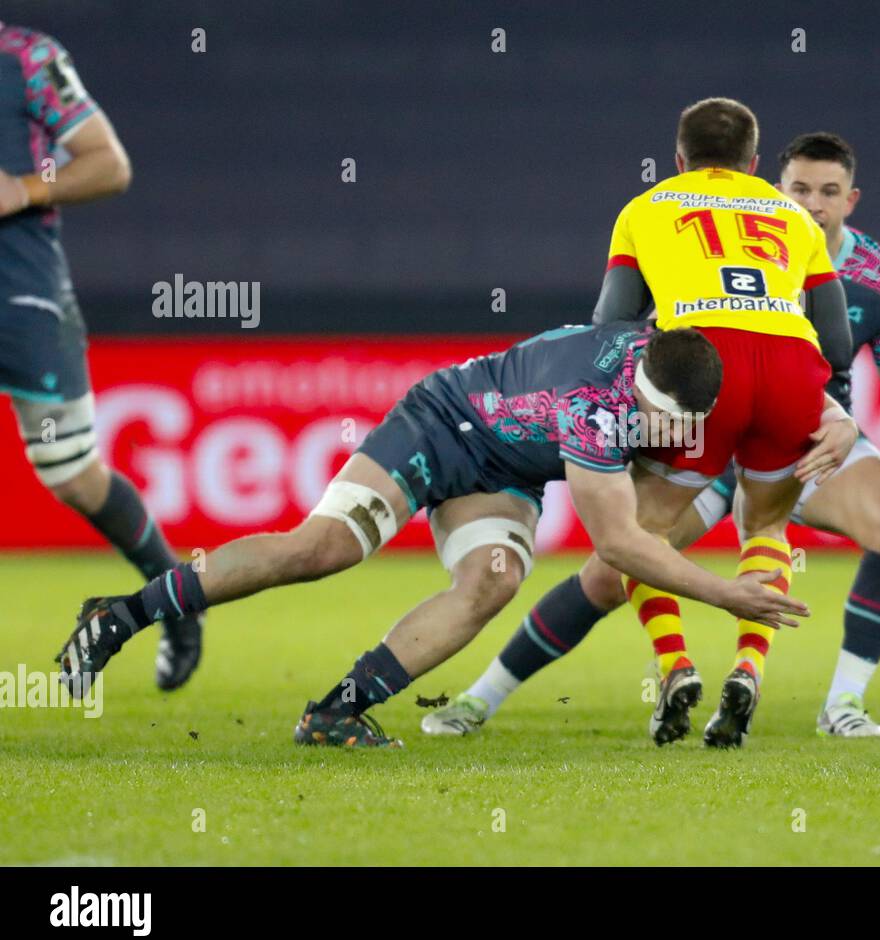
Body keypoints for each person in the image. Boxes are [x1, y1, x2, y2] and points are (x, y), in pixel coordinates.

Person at [56, 324, 820, 747]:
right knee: (323, 549)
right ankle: (122, 615)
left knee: (490, 580)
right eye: (663, 421)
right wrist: (727, 594)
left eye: (686, 423)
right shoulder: (596, 407)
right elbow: (618, 546)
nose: (673, 436)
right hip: (442, 422)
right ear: (640, 390)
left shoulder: (670, 370)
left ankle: (335, 713)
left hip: (507, 468)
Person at [424, 132, 880, 741]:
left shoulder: (875, 278)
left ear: (851, 199)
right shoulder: (733, 240)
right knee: (609, 569)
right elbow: (670, 349)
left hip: (811, 441)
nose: (812, 204)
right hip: (718, 418)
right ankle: (481, 697)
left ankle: (842, 705)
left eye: (828, 192)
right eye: (799, 189)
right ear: (771, 187)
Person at [541, 97, 855, 748]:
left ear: (678, 160)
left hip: (703, 366)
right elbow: (835, 331)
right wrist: (828, 399)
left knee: (639, 531)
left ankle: (675, 663)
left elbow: (612, 321)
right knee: (765, 525)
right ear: (755, 163)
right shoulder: (793, 216)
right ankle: (749, 667)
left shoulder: (646, 207)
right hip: (791, 366)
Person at [0, 21, 203, 689]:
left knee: (71, 473)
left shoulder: (26, 58)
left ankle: (173, 600)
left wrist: (25, 189)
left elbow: (108, 163)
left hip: (19, 294)